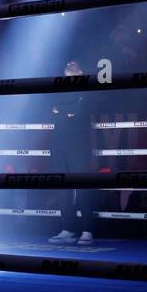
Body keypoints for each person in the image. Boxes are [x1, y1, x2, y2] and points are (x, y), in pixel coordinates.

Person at [47, 60, 95, 245]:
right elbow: (50, 109)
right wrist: (65, 111)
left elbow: (78, 111)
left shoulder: (86, 89)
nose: (70, 67)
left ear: (81, 72)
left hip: (79, 143)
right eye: (68, 66)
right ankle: (67, 229)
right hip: (59, 141)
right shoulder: (60, 89)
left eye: (74, 66)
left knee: (82, 185)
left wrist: (60, 109)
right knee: (62, 186)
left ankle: (87, 230)